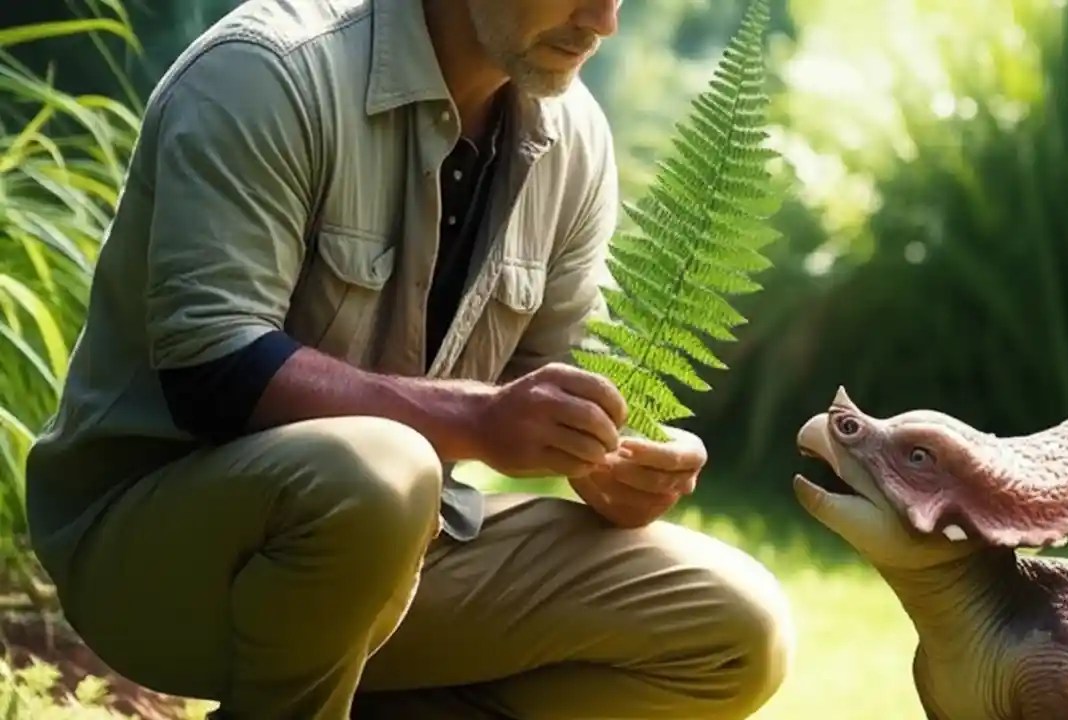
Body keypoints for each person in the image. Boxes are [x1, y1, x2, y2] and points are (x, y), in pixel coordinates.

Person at [23, 0, 796, 717]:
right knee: (381, 467)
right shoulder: (268, 71)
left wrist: (613, 453)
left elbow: (566, 378)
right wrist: (478, 419)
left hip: (402, 553)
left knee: (734, 631)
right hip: (153, 558)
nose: (603, 20)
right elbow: (212, 370)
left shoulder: (574, 136)